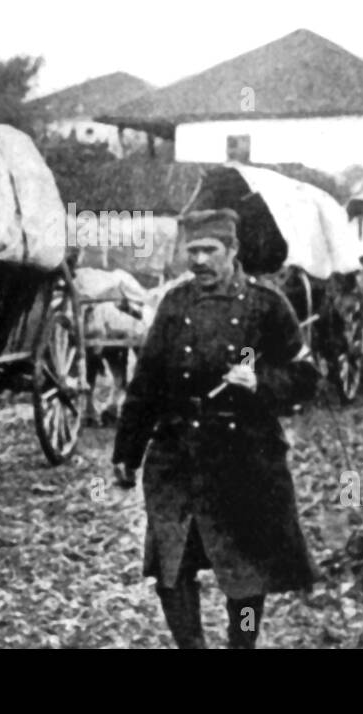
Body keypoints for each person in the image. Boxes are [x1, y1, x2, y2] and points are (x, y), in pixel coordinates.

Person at [111, 208, 318, 649]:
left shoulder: (267, 304)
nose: (200, 260)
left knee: (246, 575)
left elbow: (306, 377)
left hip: (244, 458)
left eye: (210, 250)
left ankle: (241, 645)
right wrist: (126, 453)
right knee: (171, 565)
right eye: (193, 251)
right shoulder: (174, 304)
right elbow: (146, 382)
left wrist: (260, 380)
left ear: (233, 251)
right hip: (176, 454)